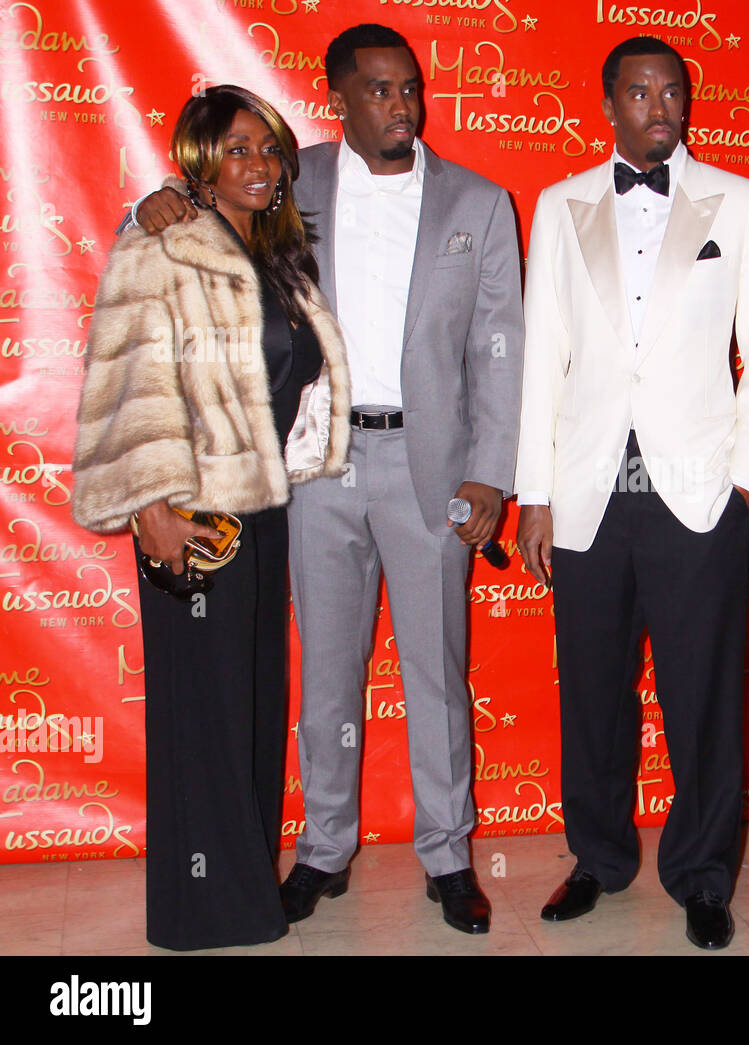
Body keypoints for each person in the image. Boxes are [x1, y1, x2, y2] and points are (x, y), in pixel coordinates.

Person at [134, 24, 524, 935]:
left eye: (411, 90)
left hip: (433, 472)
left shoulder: (479, 201)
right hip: (316, 465)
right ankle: (323, 848)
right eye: (380, 91)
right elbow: (186, 221)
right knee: (325, 677)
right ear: (338, 96)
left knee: (437, 671)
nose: (402, 107)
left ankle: (449, 853)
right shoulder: (288, 180)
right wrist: (159, 196)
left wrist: (491, 475)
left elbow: (497, 354)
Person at [514, 36, 749, 950]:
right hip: (592, 483)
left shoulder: (740, 201)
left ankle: (704, 873)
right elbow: (542, 358)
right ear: (608, 105)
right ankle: (597, 856)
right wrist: (536, 493)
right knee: (592, 688)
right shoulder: (560, 205)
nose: (659, 106)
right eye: (640, 92)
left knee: (704, 693)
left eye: (672, 91)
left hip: (698, 488)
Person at [72, 86, 351, 951]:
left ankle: (241, 895)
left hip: (258, 515)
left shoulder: (273, 250)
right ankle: (202, 911)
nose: (260, 165)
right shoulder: (162, 245)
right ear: (198, 162)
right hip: (191, 514)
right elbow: (133, 385)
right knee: (205, 717)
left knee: (251, 714)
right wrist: (151, 505)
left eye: (269, 149)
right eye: (237, 150)